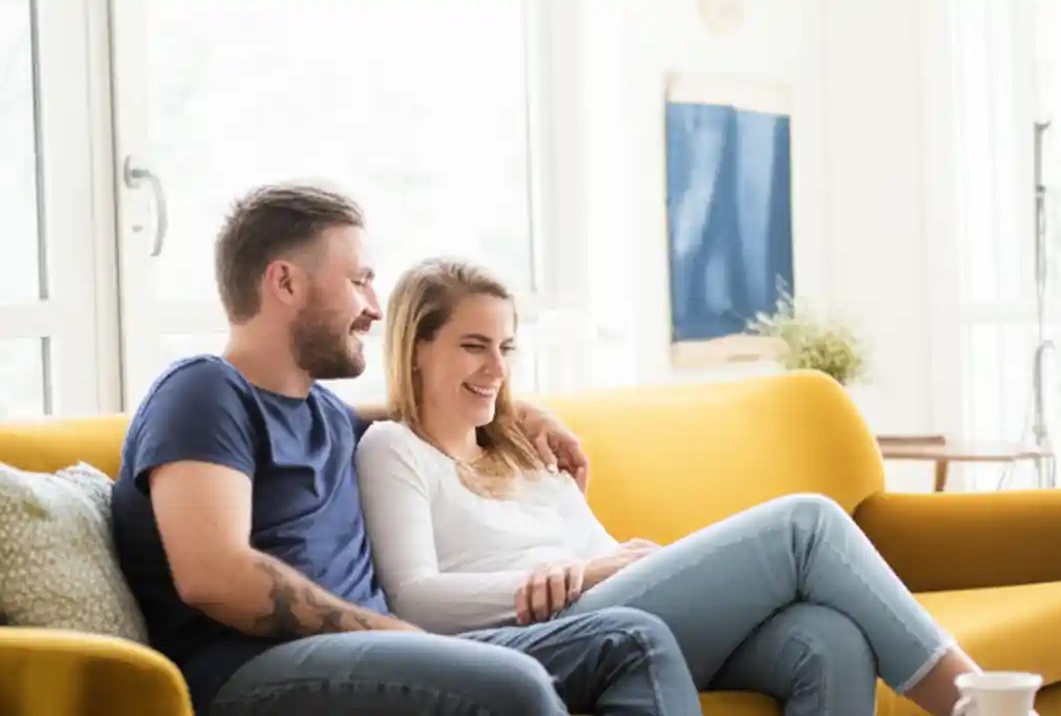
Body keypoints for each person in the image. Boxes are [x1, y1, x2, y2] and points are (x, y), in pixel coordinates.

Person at [111, 185, 703, 716]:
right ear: (285, 282)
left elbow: (416, 407)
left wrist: (517, 410)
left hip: (373, 652)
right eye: (359, 280)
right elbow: (214, 575)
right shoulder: (204, 391)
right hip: (252, 670)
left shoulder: (326, 415)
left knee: (627, 641)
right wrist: (390, 629)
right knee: (516, 686)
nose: (374, 306)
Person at [355, 257, 988, 716]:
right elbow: (415, 601)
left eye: (506, 347)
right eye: (473, 346)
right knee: (807, 525)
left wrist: (619, 562)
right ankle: (989, 708)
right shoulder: (395, 449)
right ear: (416, 349)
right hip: (547, 635)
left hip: (610, 602)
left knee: (830, 641)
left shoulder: (525, 448)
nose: (496, 369)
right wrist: (558, 581)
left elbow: (598, 551)